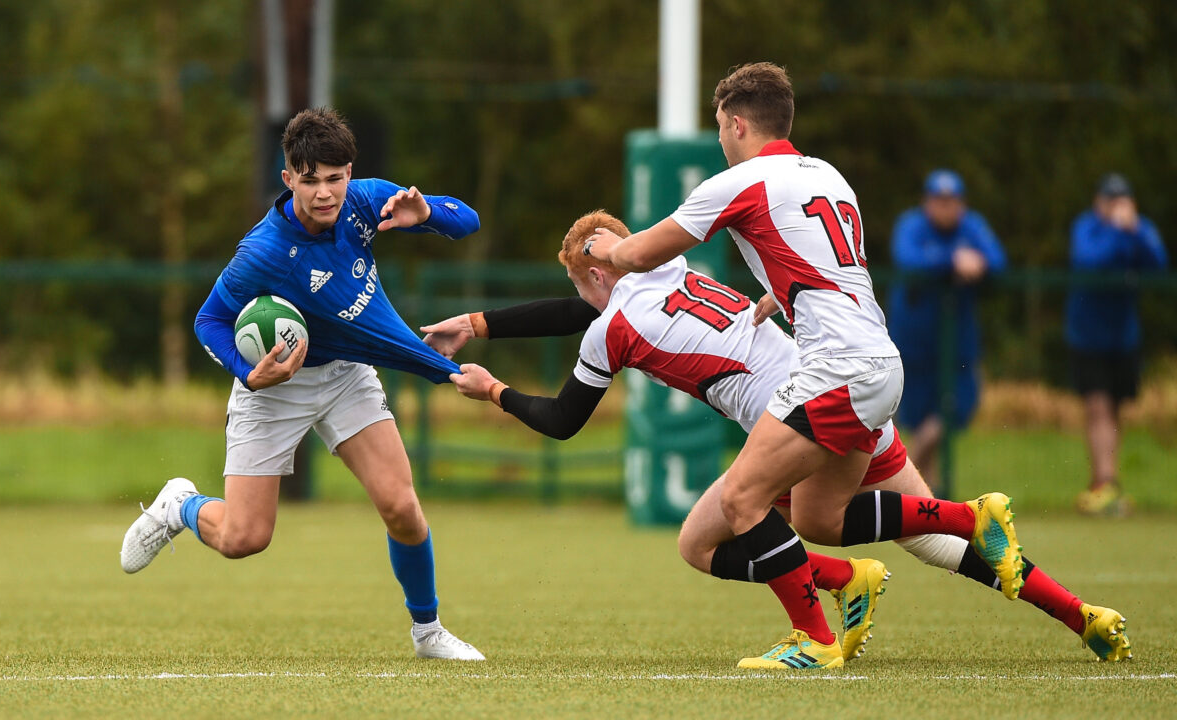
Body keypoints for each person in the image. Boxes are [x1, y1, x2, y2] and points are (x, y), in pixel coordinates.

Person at [426, 209, 1132, 665]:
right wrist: (483, 321)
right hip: (836, 385)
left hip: (798, 413)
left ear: (599, 274)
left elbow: (562, 419)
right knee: (710, 540)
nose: (582, 300)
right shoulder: (670, 267)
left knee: (749, 511)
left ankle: (822, 629)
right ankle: (1079, 613)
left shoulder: (612, 323)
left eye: (585, 282)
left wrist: (493, 390)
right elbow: (575, 307)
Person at [570, 62, 1030, 671]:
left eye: (718, 129)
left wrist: (603, 249)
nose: (718, 142)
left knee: (741, 499)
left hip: (834, 367)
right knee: (818, 516)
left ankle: (818, 637)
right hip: (876, 357)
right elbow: (827, 267)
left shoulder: (740, 180)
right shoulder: (829, 175)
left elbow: (636, 252)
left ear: (737, 123)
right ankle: (958, 523)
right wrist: (777, 293)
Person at [119, 107, 485, 661]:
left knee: (402, 507)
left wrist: (428, 211)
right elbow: (208, 320)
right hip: (275, 387)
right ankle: (180, 507)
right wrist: (249, 373)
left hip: (344, 377)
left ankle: (428, 632)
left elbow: (468, 221)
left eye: (334, 178)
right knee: (246, 539)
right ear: (288, 178)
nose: (324, 193)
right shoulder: (262, 254)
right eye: (310, 180)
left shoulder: (367, 200)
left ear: (349, 171)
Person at [887, 170, 1007, 490]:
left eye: (952, 201)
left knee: (957, 410)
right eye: (939, 201)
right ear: (927, 202)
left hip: (958, 346)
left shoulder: (972, 226)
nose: (945, 208)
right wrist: (952, 260)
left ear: (962, 204)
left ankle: (900, 480)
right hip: (913, 345)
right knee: (918, 419)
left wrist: (978, 264)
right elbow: (907, 258)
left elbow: (997, 260)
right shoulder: (912, 225)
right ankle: (929, 501)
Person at [1066, 173, 1168, 516]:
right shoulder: (1088, 228)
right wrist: (1116, 230)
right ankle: (1104, 484)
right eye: (1110, 200)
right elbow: (1089, 261)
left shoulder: (1138, 229)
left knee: (1115, 411)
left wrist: (1133, 230)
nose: (1117, 206)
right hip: (1087, 335)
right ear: (1099, 202)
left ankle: (1106, 482)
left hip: (1124, 337)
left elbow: (1158, 262)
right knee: (1096, 407)